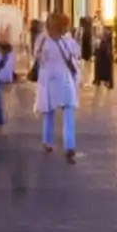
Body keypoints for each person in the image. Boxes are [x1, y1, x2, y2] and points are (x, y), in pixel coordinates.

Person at [34, 13, 81, 164]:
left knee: (49, 111)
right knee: (68, 113)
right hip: (65, 80)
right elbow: (77, 54)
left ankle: (47, 141)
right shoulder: (67, 41)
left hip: (49, 80)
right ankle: (69, 146)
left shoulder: (42, 41)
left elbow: (37, 58)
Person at [93, 26, 114, 93]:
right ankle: (100, 80)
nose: (104, 31)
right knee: (104, 69)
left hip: (105, 56)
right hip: (105, 56)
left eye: (105, 30)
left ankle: (103, 81)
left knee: (105, 70)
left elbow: (104, 47)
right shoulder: (106, 37)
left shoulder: (106, 37)